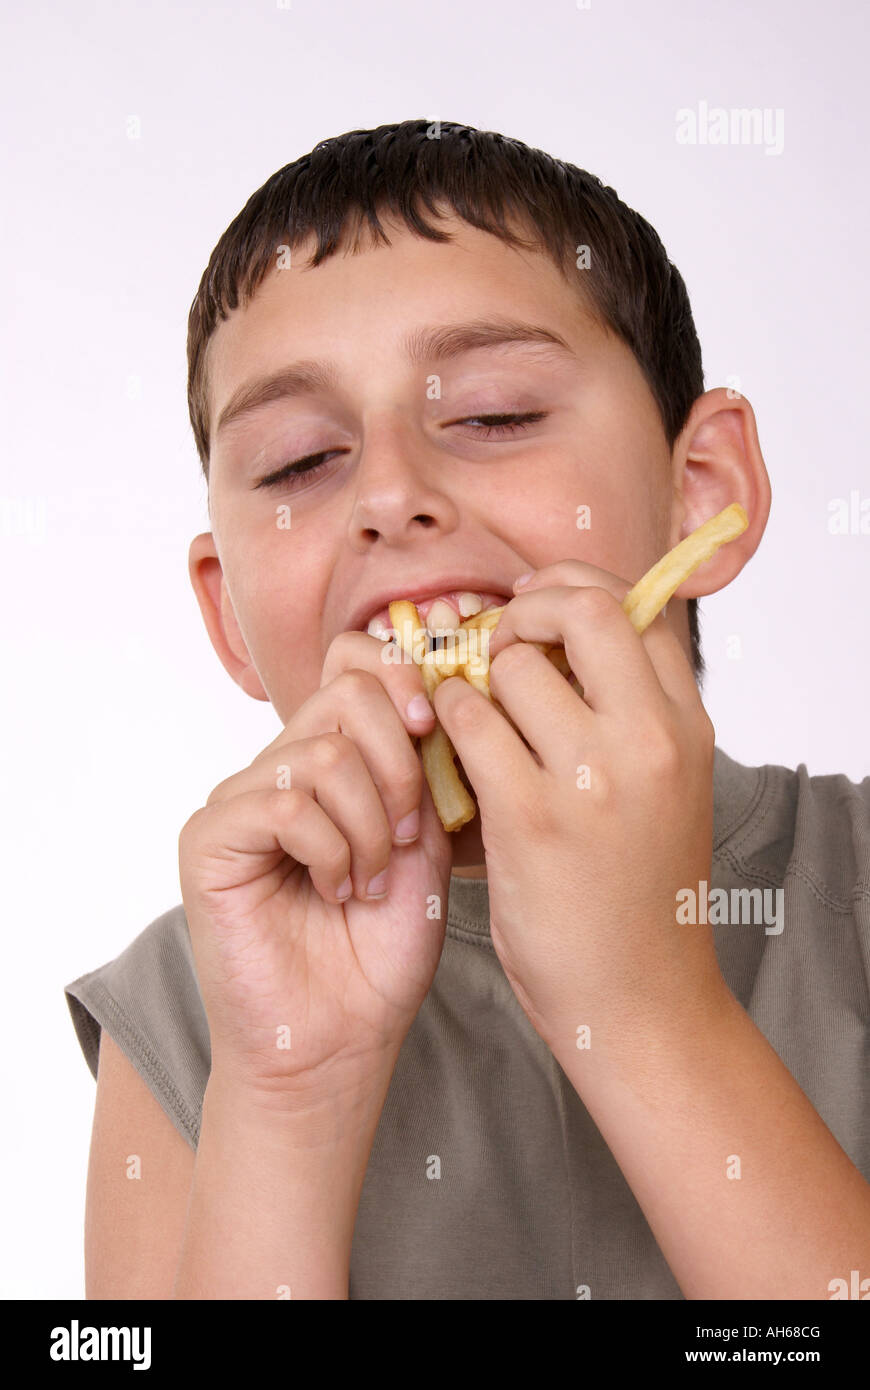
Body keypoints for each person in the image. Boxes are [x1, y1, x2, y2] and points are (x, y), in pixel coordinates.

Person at [64, 119, 870, 1300]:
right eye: (299, 462)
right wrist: (293, 1103)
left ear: (704, 492)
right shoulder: (192, 1014)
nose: (391, 494)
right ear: (230, 613)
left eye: (492, 415)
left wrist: (642, 1005)